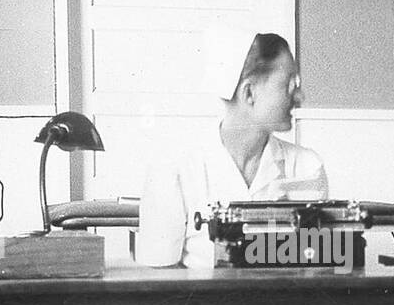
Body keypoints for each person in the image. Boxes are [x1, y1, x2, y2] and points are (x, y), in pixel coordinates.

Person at [137, 32, 328, 268]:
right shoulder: (174, 166)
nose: (300, 96)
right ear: (249, 93)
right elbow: (160, 273)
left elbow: (317, 266)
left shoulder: (307, 166)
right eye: (289, 84)